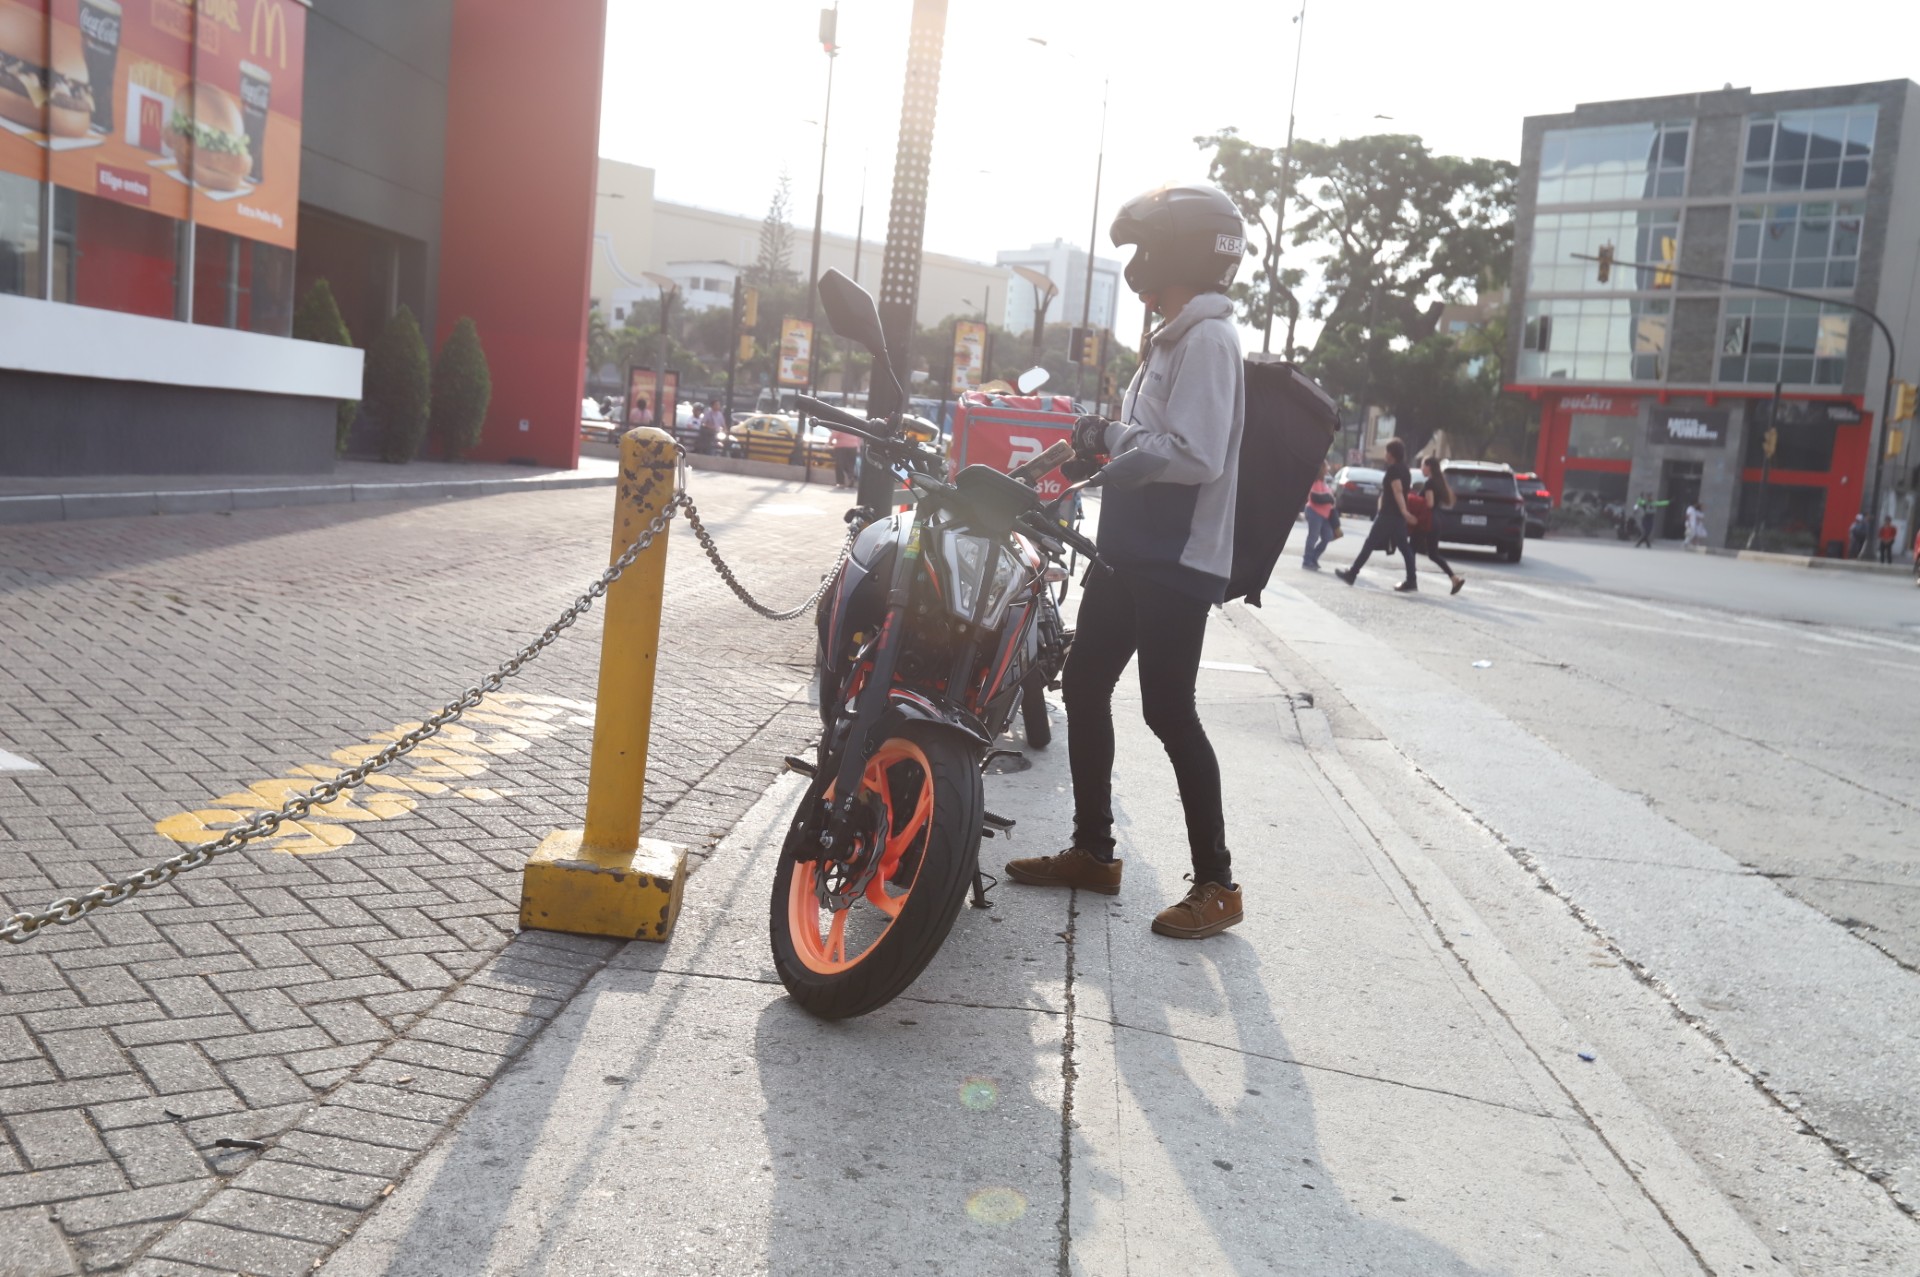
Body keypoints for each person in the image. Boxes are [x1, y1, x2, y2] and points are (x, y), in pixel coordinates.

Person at [1003, 181, 1247, 940]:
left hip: (1176, 559)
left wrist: (1110, 438)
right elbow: (1146, 444)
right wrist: (1096, 441)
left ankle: (1217, 883)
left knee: (1168, 710)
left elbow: (1196, 455)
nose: (1138, 264)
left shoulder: (1208, 340)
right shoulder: (1174, 335)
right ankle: (1094, 850)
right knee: (1082, 683)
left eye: (1146, 248)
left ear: (1179, 248)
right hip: (1131, 548)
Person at [1335, 438, 1417, 592]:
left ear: (1391, 454)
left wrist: (1405, 512)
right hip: (1395, 515)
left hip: (1389, 515)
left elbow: (1398, 491)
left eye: (1387, 451)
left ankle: (1352, 573)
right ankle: (1412, 580)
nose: (1385, 454)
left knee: (1370, 543)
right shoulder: (1405, 469)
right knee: (1405, 548)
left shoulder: (1394, 470)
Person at [1410, 456, 1466, 594]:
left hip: (1426, 521)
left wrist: (1415, 499)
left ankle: (1410, 580)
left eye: (1423, 465)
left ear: (1429, 467)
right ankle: (1454, 579)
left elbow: (1429, 503)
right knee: (1433, 554)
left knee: (1410, 550)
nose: (1421, 468)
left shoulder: (1430, 483)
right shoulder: (1439, 482)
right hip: (1435, 521)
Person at [1301, 462, 1337, 570]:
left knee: (1328, 536)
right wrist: (1330, 498)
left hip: (1325, 515)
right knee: (1313, 536)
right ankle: (1307, 561)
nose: (1328, 468)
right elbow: (1316, 498)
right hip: (1314, 512)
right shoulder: (1316, 481)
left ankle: (1313, 557)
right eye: (1326, 467)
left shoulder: (1323, 481)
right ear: (1322, 468)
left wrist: (1330, 497)